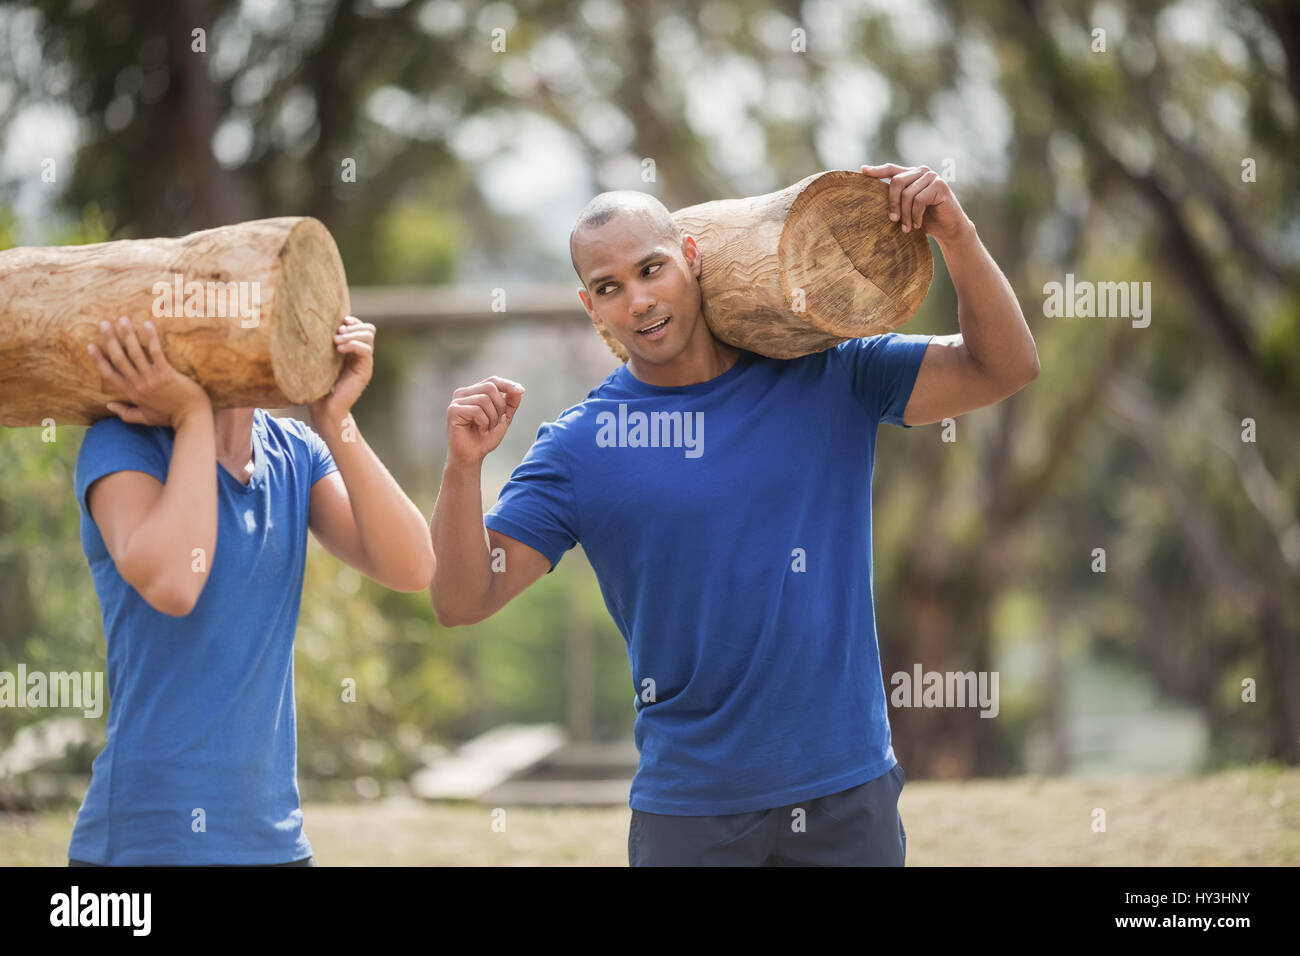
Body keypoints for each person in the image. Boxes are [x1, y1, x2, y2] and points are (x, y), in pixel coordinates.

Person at [429, 163, 1039, 866]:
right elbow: (461, 598)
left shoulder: (830, 375)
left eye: (651, 269)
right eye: (609, 288)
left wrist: (955, 236)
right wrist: (462, 468)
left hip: (848, 795)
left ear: (691, 257)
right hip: (692, 813)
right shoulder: (582, 446)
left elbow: (1004, 366)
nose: (638, 301)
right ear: (590, 306)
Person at [70, 313, 433, 866]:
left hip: (275, 845)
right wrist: (193, 417)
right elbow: (175, 584)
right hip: (147, 846)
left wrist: (336, 419)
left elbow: (412, 566)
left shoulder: (295, 452)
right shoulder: (122, 445)